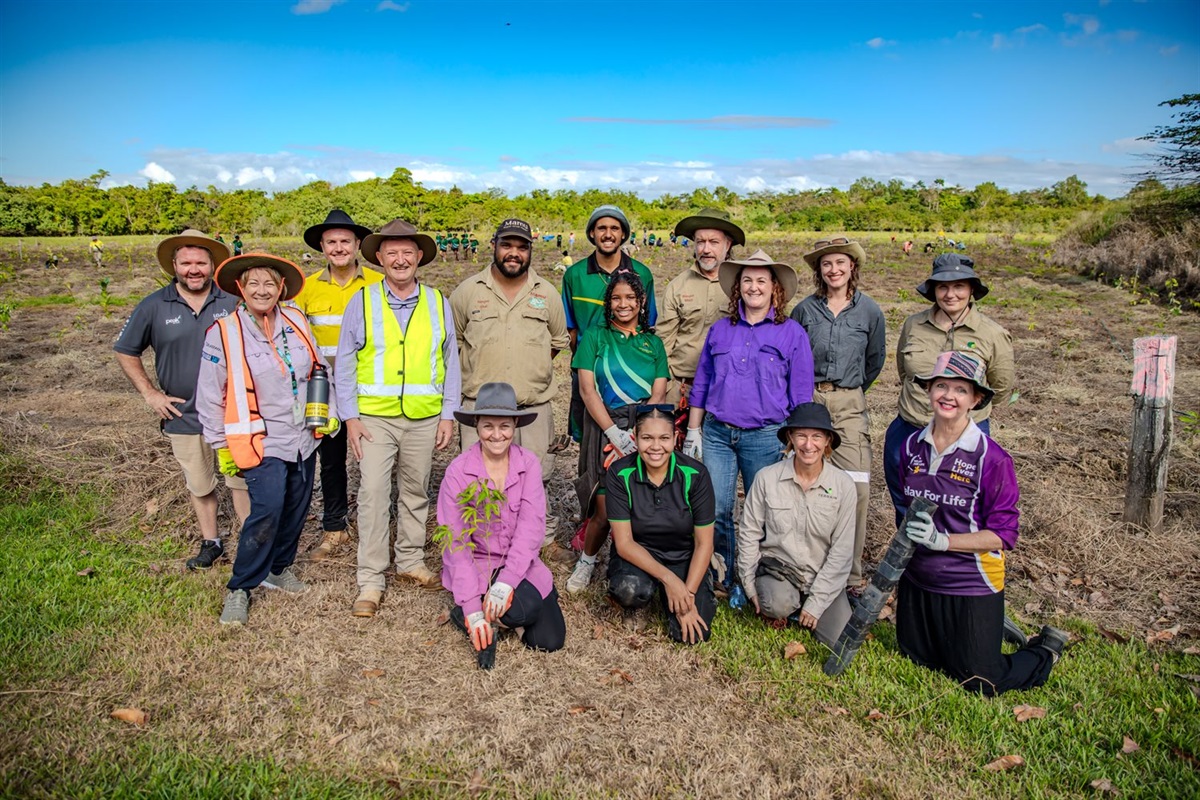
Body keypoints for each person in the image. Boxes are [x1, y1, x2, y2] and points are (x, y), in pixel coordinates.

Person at [896, 351, 1067, 694]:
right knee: (918, 660)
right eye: (941, 386)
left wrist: (944, 541)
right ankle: (983, 630)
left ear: (975, 400)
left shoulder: (992, 457)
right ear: (928, 391)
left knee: (979, 679)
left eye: (960, 390)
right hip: (919, 578)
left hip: (969, 580)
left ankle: (1044, 651)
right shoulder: (910, 447)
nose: (948, 396)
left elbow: (1003, 535)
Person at [196, 253, 339, 625]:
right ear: (241, 289)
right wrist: (221, 445)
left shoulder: (295, 320)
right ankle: (240, 587)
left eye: (270, 284)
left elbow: (318, 369)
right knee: (266, 511)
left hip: (303, 435)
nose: (262, 290)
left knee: (296, 506)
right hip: (260, 439)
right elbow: (211, 395)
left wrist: (329, 411)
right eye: (254, 283)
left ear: (281, 290)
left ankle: (278, 568)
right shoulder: (224, 331)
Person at [335, 219, 461, 617]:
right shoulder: (364, 300)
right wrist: (350, 417)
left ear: (419, 257)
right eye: (392, 253)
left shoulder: (438, 301)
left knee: (416, 490)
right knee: (372, 493)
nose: (400, 259)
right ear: (379, 258)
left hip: (424, 417)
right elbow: (345, 361)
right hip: (375, 418)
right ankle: (370, 579)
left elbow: (450, 360)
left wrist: (447, 414)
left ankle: (409, 560)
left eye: (408, 252)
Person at [114, 229, 250, 571]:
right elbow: (125, 350)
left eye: (201, 262)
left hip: (232, 411)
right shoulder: (154, 305)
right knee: (200, 481)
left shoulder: (232, 300)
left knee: (241, 481)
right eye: (186, 262)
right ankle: (211, 541)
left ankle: (249, 543)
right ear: (174, 265)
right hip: (184, 413)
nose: (194, 269)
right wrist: (150, 393)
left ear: (212, 265)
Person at [685, 250, 814, 601]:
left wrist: (797, 442)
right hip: (717, 434)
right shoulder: (720, 330)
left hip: (766, 435)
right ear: (736, 287)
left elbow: (802, 396)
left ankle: (760, 576)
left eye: (761, 280)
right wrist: (693, 432)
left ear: (775, 288)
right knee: (718, 507)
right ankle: (724, 573)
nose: (753, 287)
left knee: (766, 510)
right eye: (747, 280)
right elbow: (702, 382)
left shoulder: (791, 334)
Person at [449, 218, 571, 560]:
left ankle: (542, 537)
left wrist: (529, 365)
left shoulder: (546, 293)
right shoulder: (468, 291)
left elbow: (558, 340)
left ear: (530, 250)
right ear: (494, 246)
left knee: (537, 473)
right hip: (479, 405)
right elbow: (456, 341)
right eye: (507, 245)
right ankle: (482, 541)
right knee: (479, 476)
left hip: (531, 404)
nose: (514, 253)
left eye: (521, 247)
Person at [439, 382, 566, 670]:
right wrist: (472, 609)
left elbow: (530, 529)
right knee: (527, 608)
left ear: (515, 426)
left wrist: (506, 583)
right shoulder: (458, 471)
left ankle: (502, 611)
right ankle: (468, 611)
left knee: (549, 641)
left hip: (518, 563)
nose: (497, 435)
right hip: (479, 564)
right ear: (476, 426)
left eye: (505, 426)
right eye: (488, 426)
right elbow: (456, 543)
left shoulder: (528, 463)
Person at [884, 254, 1014, 525]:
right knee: (904, 502)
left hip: (963, 435)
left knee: (958, 506)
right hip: (911, 428)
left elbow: (1000, 387)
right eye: (942, 287)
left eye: (959, 287)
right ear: (933, 291)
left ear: (971, 291)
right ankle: (908, 560)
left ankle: (952, 559)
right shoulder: (913, 325)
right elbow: (905, 372)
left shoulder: (991, 333)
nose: (950, 294)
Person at [791, 237, 886, 592]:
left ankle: (851, 576)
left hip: (849, 402)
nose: (834, 270)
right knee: (805, 482)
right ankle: (804, 567)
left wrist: (850, 391)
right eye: (827, 264)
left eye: (840, 264)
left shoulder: (869, 311)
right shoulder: (804, 310)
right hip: (810, 398)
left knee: (857, 488)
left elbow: (874, 362)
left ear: (852, 268)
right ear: (819, 270)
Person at [566, 269, 669, 593]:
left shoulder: (653, 344)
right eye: (616, 298)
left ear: (641, 302)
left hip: (643, 427)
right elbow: (587, 390)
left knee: (641, 498)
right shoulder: (595, 338)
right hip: (604, 426)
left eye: (630, 298)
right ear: (608, 302)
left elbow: (659, 392)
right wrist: (614, 434)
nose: (623, 304)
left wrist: (641, 435)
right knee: (604, 504)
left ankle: (633, 562)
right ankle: (588, 561)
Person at [291, 209, 383, 561]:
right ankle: (334, 527)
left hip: (369, 391)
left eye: (346, 241)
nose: (339, 247)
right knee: (331, 461)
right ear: (322, 246)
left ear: (358, 244)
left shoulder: (377, 283)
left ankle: (376, 525)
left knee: (373, 459)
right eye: (332, 242)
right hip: (324, 393)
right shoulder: (305, 289)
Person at [737, 403, 855, 647]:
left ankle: (807, 607)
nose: (808, 445)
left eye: (816, 437)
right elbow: (748, 533)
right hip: (780, 570)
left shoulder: (844, 486)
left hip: (822, 574)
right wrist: (749, 586)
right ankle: (785, 603)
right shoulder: (767, 478)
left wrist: (817, 602)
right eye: (801, 435)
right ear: (790, 438)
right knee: (774, 603)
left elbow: (842, 551)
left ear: (827, 441)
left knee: (838, 639)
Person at [605, 406, 716, 644]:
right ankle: (641, 603)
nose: (656, 447)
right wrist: (670, 580)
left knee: (692, 636)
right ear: (635, 437)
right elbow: (624, 543)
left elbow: (704, 543)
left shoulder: (696, 474)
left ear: (676, 438)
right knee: (629, 589)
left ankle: (681, 594)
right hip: (639, 553)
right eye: (647, 438)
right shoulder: (619, 473)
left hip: (684, 555)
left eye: (664, 438)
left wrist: (688, 595)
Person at [561, 205, 657, 445]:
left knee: (633, 438)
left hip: (630, 370)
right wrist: (582, 365)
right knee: (590, 439)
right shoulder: (574, 275)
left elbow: (648, 324)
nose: (608, 234)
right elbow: (570, 328)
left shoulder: (642, 274)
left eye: (615, 228)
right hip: (588, 369)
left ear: (623, 234)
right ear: (592, 233)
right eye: (601, 228)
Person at [659, 208, 745, 411]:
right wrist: (666, 386)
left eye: (714, 242)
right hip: (681, 387)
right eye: (700, 242)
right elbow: (663, 342)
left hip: (727, 390)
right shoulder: (677, 286)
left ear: (728, 244)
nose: (706, 249)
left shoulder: (744, 286)